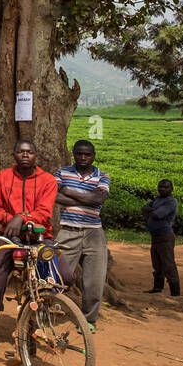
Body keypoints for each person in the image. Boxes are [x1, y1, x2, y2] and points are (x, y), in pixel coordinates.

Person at [0, 139, 76, 358]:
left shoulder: (47, 180)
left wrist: (22, 217)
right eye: (21, 152)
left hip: (40, 236)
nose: (25, 155)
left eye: (30, 152)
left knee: (66, 276)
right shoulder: (3, 177)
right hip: (9, 236)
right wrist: (10, 220)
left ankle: (38, 323)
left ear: (36, 155)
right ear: (14, 155)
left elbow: (44, 211)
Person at [54, 139, 111, 330]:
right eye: (79, 153)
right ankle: (50, 311)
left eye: (87, 154)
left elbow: (99, 199)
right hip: (68, 231)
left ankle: (89, 320)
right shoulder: (62, 172)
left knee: (94, 280)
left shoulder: (103, 176)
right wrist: (88, 199)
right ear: (74, 154)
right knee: (57, 275)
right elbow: (54, 196)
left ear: (94, 155)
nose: (83, 157)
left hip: (94, 233)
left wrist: (68, 191)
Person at [141, 179, 180, 296]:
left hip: (165, 236)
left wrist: (150, 211)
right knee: (157, 263)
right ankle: (157, 288)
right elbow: (144, 208)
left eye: (165, 187)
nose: (162, 189)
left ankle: (175, 292)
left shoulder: (171, 202)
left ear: (171, 189)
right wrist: (150, 210)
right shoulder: (157, 200)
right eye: (160, 187)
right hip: (155, 236)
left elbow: (157, 215)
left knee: (168, 264)